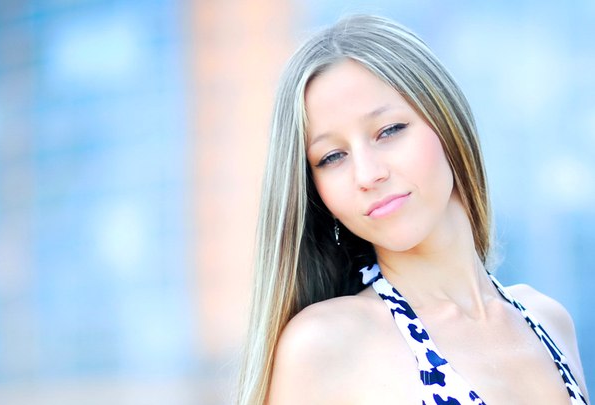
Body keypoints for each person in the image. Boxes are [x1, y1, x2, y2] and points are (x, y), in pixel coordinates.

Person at [237, 14, 589, 405]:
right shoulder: (325, 345)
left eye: (388, 131)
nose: (367, 174)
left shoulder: (548, 321)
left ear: (445, 121)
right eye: (332, 156)